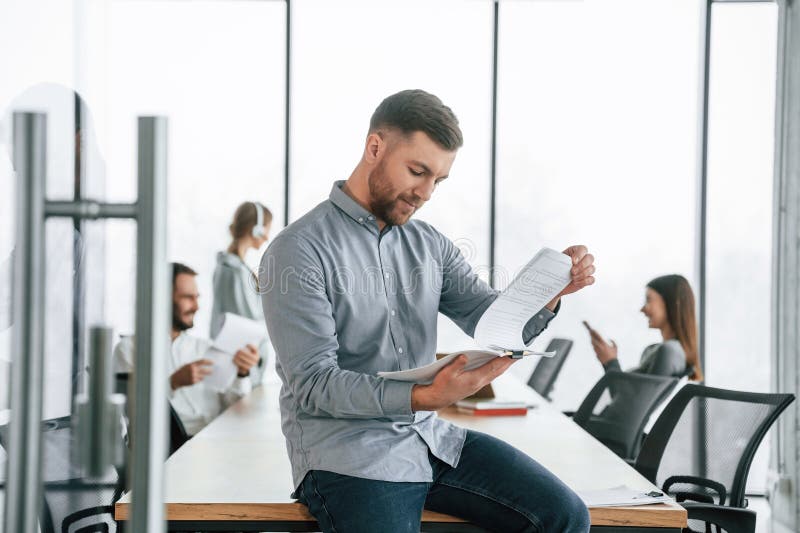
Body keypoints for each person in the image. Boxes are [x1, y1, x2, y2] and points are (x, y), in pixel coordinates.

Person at [261, 89, 596, 532]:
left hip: (430, 439)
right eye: (417, 172)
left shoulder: (429, 244)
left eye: (438, 180)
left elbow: (490, 319)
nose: (425, 193)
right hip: (348, 457)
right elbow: (314, 384)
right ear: (375, 147)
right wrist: (421, 397)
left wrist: (551, 291)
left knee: (565, 516)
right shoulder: (298, 251)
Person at [114, 262, 260, 436]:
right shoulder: (130, 349)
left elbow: (236, 406)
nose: (196, 306)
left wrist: (242, 374)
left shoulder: (205, 348)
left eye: (197, 298)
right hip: (170, 445)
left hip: (215, 438)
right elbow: (131, 411)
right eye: (188, 297)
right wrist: (172, 383)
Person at [586, 274, 702, 381]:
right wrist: (609, 361)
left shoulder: (669, 351)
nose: (642, 309)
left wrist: (610, 362)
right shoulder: (658, 350)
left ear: (671, 302)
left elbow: (632, 398)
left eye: (648, 300)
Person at [211, 201, 273, 384]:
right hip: (242, 366)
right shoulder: (235, 271)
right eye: (267, 229)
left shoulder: (234, 267)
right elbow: (250, 323)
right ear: (257, 229)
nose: (267, 236)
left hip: (242, 365)